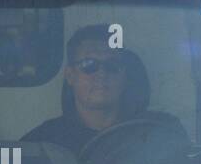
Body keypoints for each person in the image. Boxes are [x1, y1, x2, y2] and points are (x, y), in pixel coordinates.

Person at [22, 24, 152, 155]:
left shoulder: (156, 135)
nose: (102, 74)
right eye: (89, 65)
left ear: (125, 76)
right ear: (70, 76)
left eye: (112, 65)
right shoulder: (42, 142)